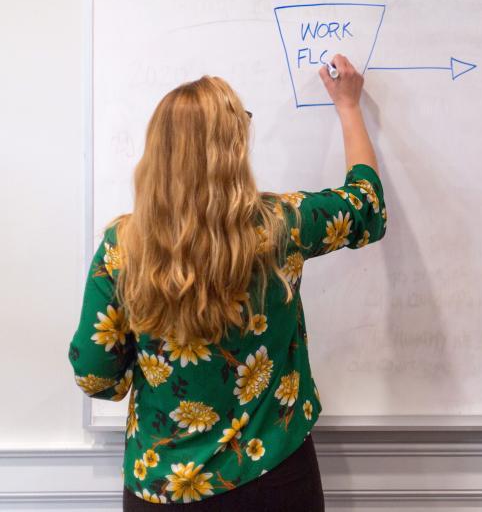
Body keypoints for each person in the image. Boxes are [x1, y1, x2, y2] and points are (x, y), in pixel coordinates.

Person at [68, 55, 385, 509]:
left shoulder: (123, 247)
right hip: (276, 478)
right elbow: (367, 205)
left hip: (163, 488)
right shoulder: (281, 225)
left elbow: (95, 375)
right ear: (231, 150)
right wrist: (349, 107)